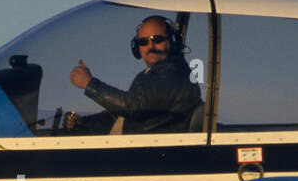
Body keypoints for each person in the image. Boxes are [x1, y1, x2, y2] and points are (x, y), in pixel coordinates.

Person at [64, 16, 201, 134]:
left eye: (157, 39)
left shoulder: (172, 75)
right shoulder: (152, 74)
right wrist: (84, 123)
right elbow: (123, 114)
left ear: (172, 41)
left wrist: (90, 84)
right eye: (143, 42)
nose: (150, 46)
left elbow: (135, 107)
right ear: (137, 47)